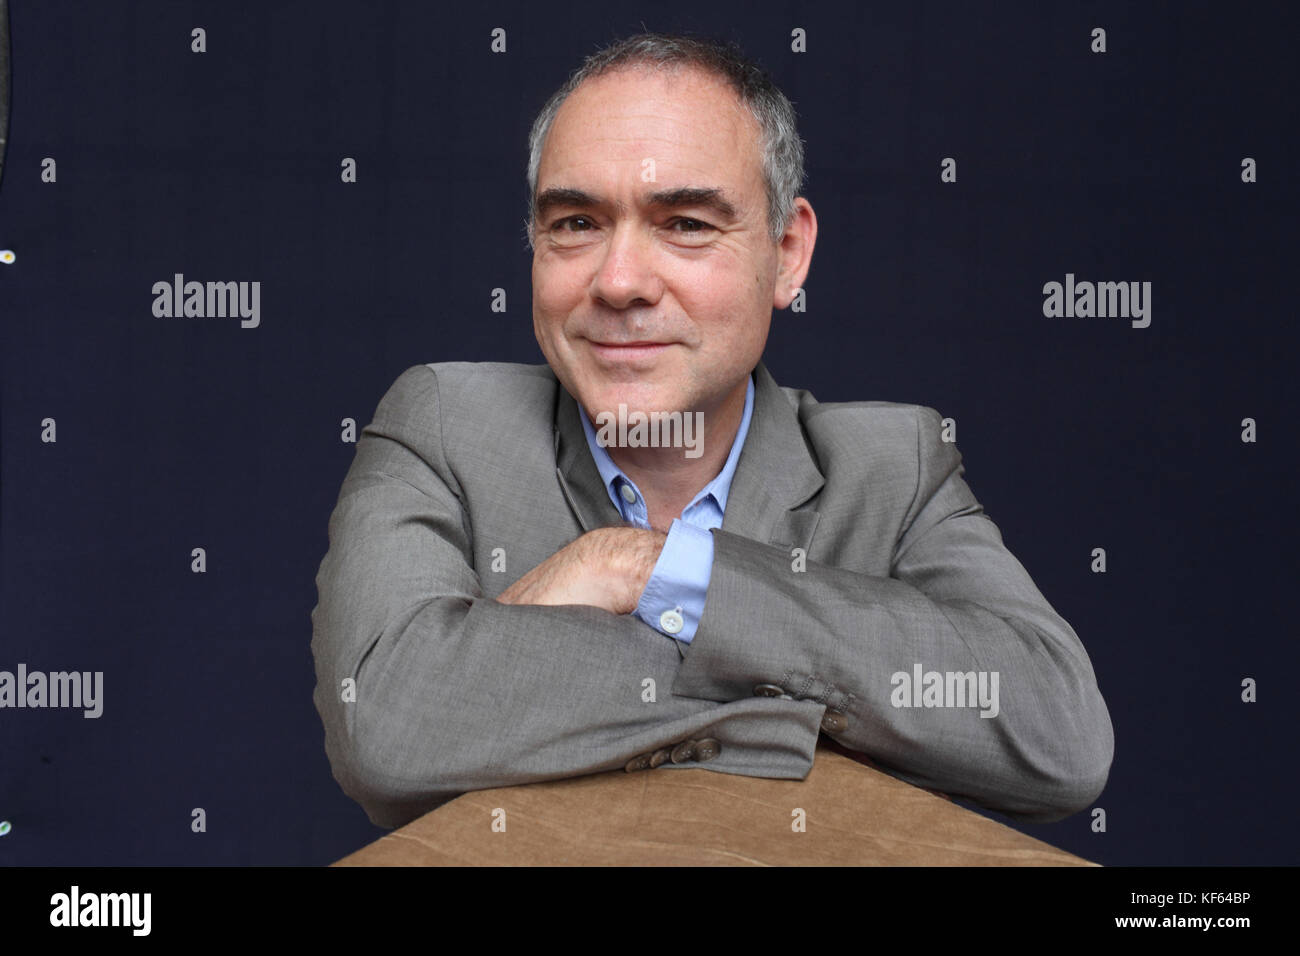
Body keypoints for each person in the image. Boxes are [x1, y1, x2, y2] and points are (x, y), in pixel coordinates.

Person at [310, 32, 1113, 830]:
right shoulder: (445, 428)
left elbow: (1058, 734)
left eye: (687, 223)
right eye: (576, 223)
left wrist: (645, 568)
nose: (619, 281)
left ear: (788, 253)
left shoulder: (890, 468)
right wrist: (789, 710)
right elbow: (389, 724)